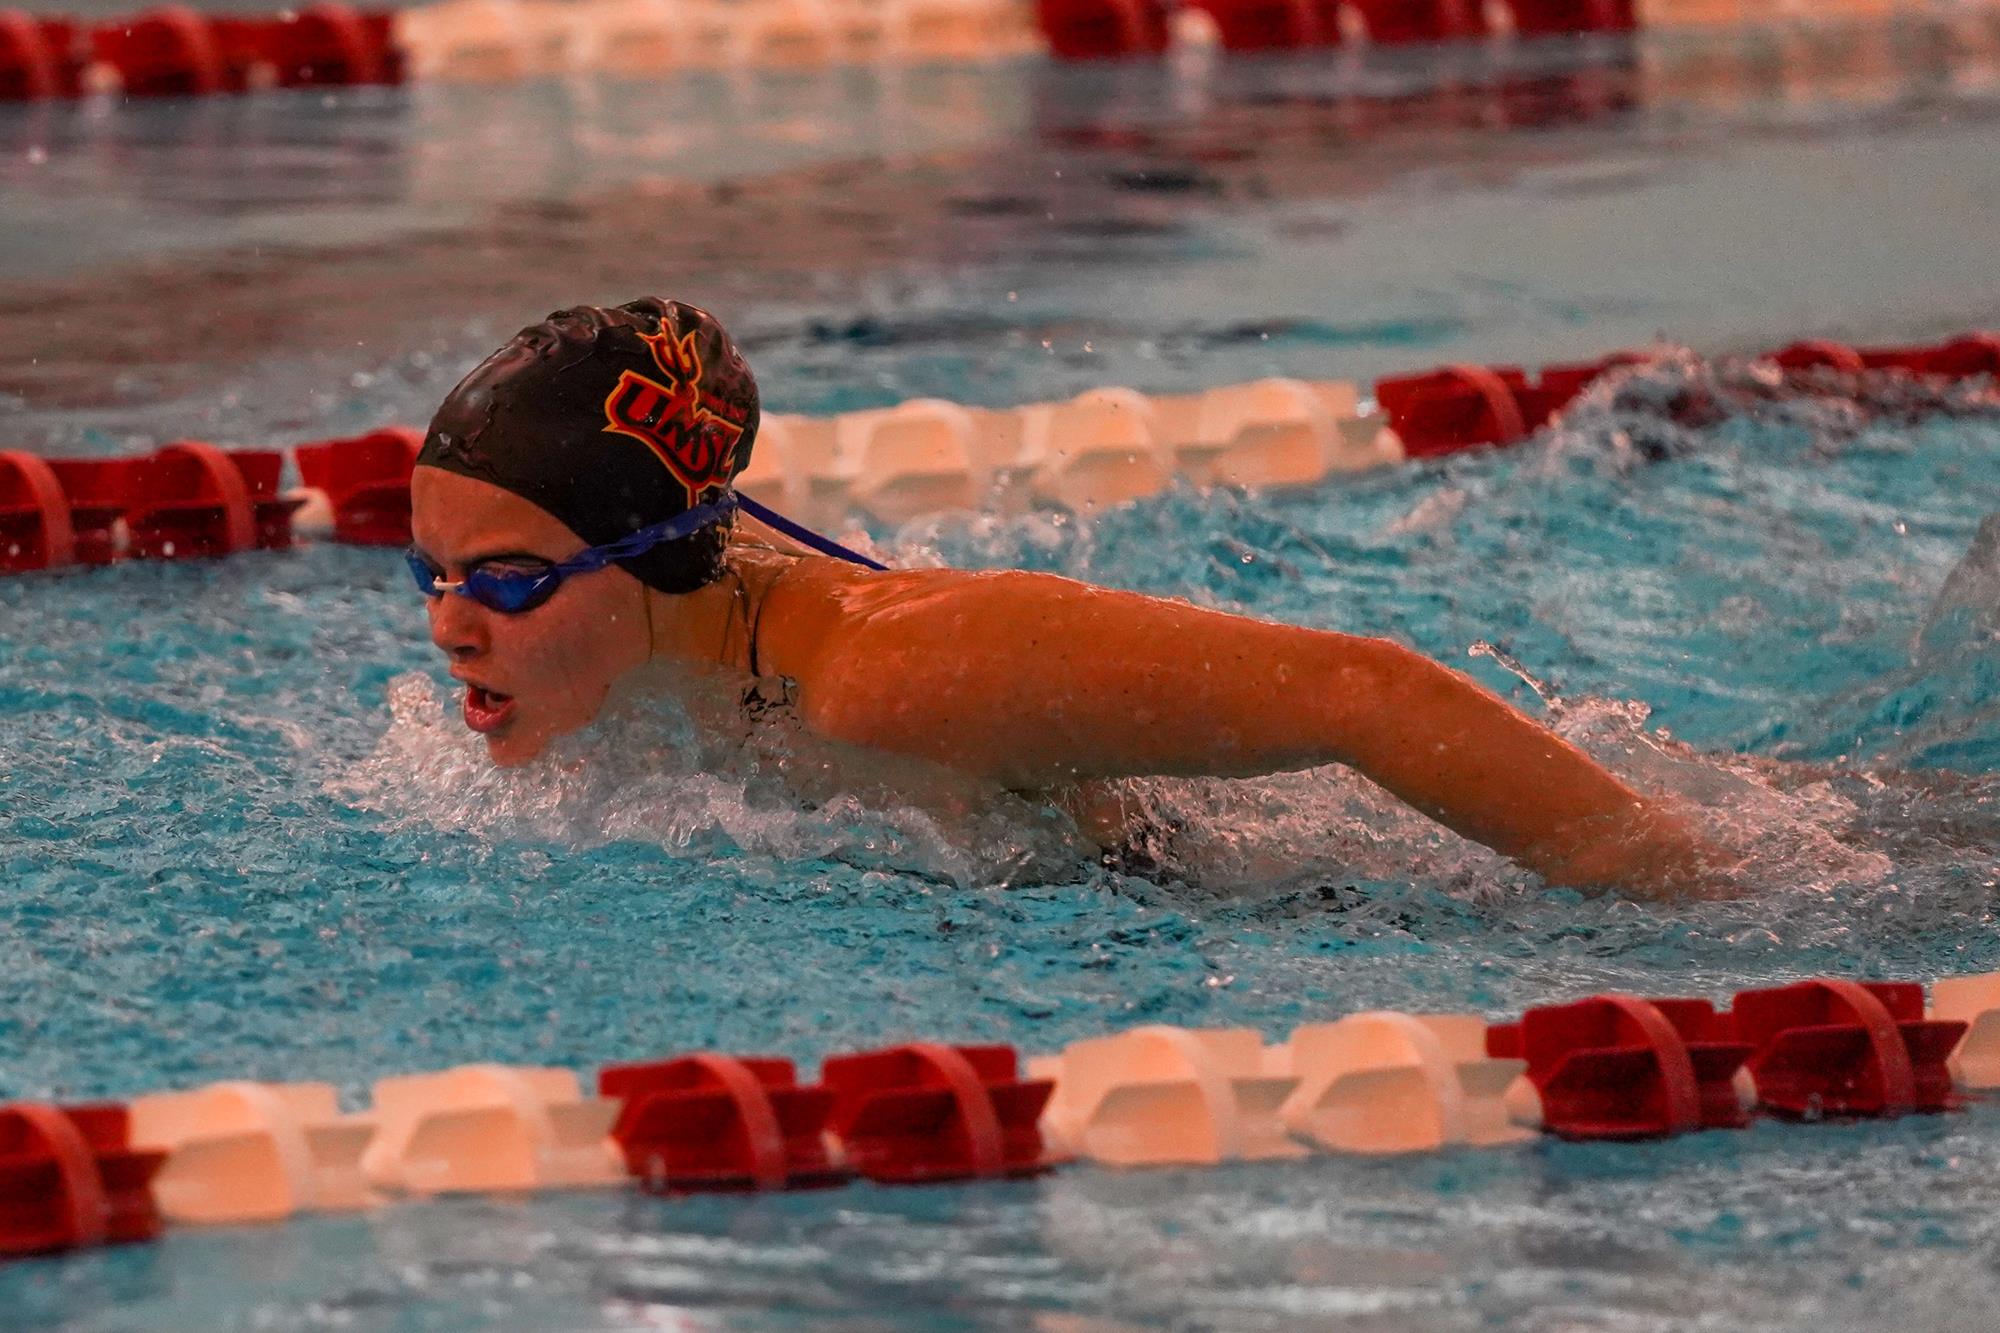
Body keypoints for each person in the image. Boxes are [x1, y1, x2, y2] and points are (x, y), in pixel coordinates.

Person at [408, 297, 1726, 899]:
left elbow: (1360, 690)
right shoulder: (658, 657)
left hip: (1274, 895)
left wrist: (1669, 878)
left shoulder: (890, 676)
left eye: (510, 581)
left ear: (652, 549)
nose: (450, 626)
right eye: (435, 575)